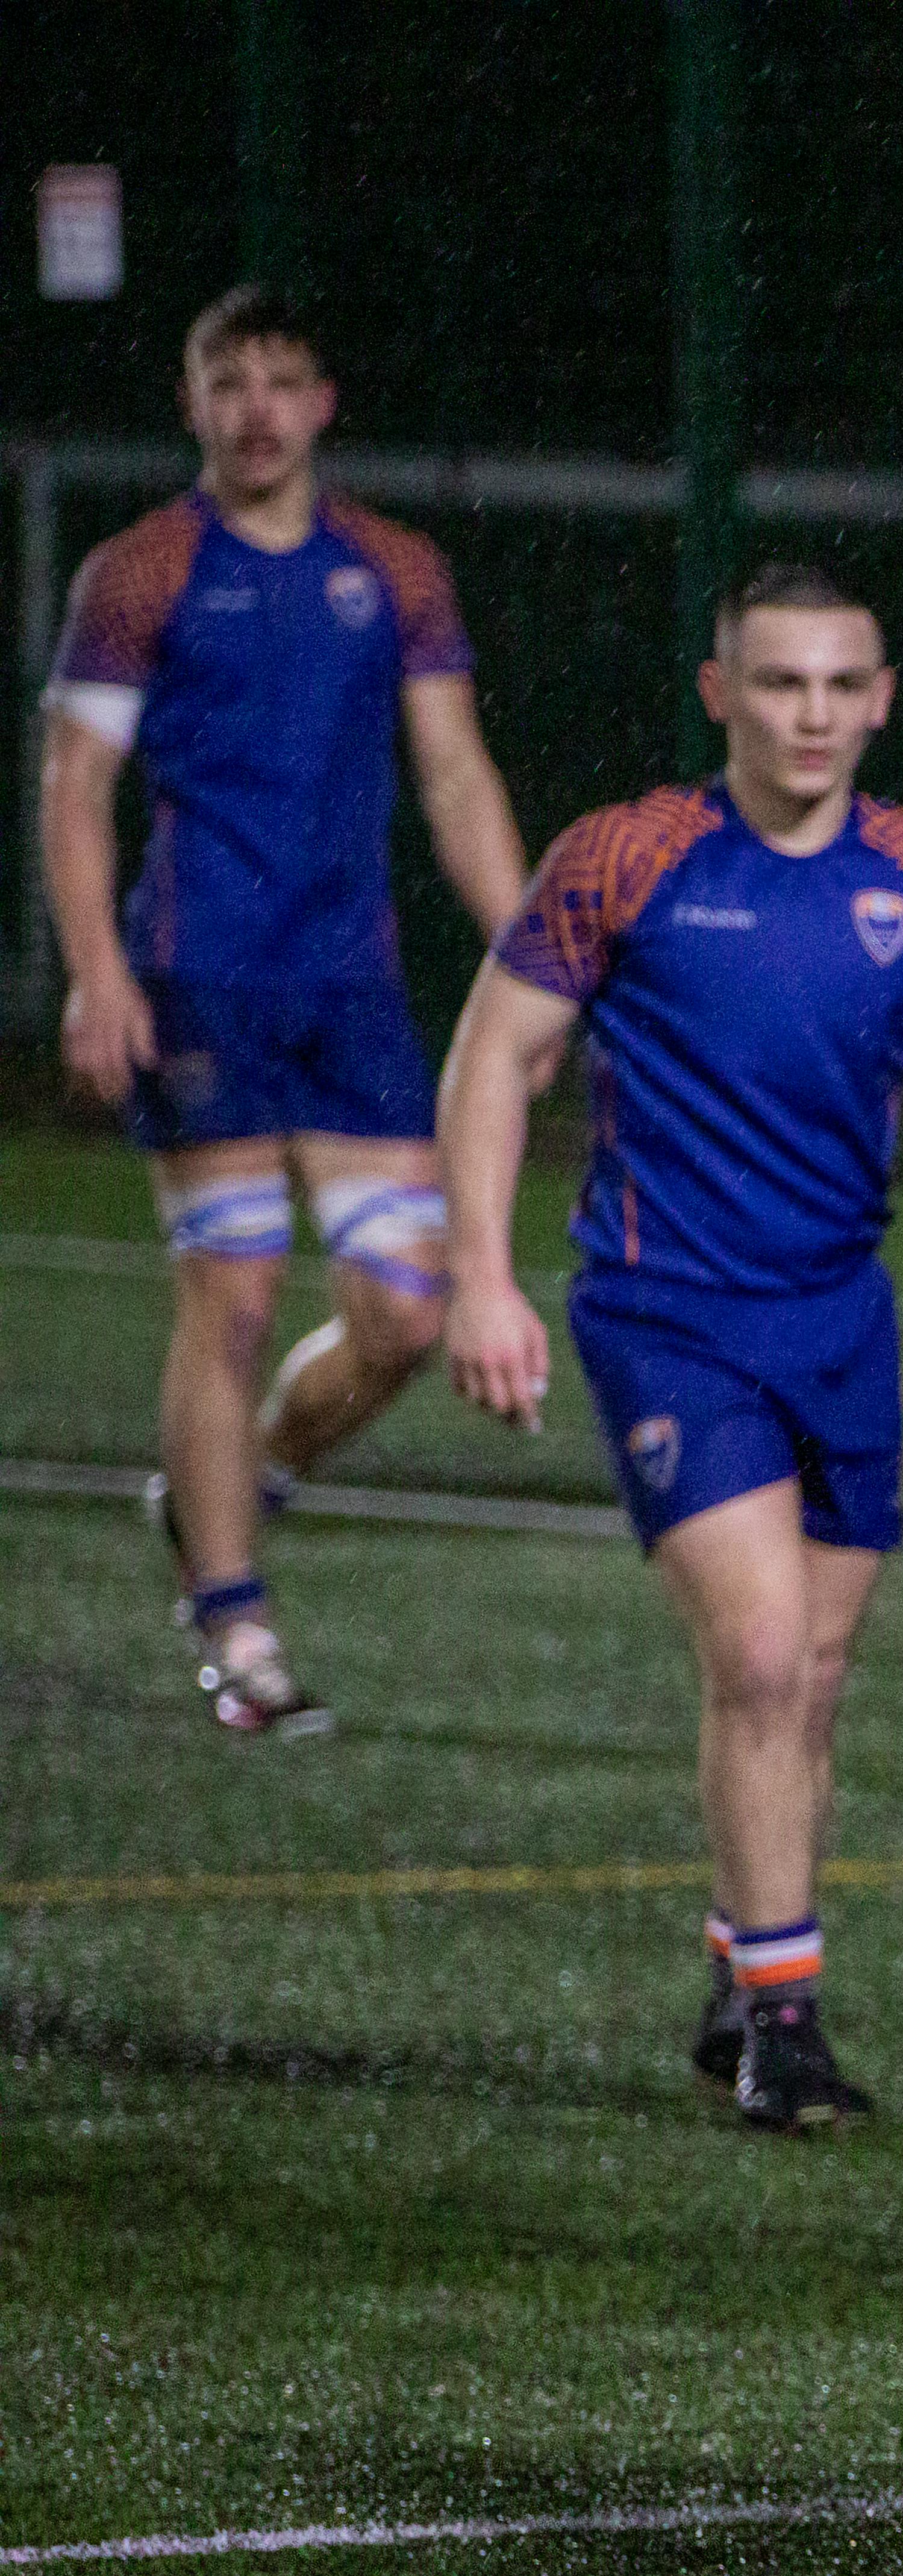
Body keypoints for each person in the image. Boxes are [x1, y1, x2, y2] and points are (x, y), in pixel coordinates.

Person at [436, 565, 903, 2132]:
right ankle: (785, 2024)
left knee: (808, 1675)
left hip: (840, 1320)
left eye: (841, 685)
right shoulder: (628, 857)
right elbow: (495, 1053)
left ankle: (742, 1962)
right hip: (665, 1313)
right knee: (752, 1654)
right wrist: (481, 1276)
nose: (812, 714)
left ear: (881, 700)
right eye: (780, 682)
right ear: (719, 692)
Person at [39, 284, 528, 1736]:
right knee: (237, 1297)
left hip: (350, 989)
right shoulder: (141, 572)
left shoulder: (395, 570)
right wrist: (97, 970)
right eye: (228, 381)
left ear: (324, 404)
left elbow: (455, 775)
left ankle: (230, 1490)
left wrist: (531, 958)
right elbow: (75, 782)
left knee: (406, 1315)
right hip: (200, 980)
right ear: (192, 403)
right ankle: (237, 1628)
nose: (256, 409)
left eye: (281, 381)